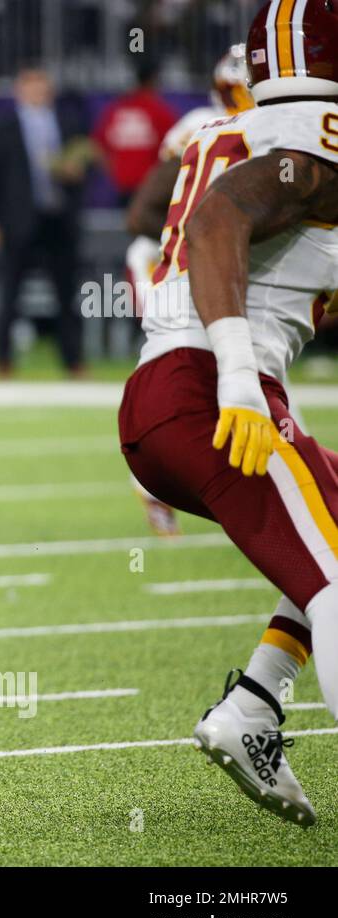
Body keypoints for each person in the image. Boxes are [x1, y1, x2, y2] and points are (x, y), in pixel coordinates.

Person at [119, 0, 338, 828]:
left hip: (179, 391)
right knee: (336, 581)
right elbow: (215, 223)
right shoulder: (304, 154)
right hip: (206, 391)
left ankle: (254, 702)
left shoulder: (249, 140)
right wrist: (242, 381)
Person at [124, 44, 255, 538]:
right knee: (179, 363)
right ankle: (157, 481)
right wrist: (190, 239)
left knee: (216, 365)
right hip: (168, 257)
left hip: (203, 258)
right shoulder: (206, 124)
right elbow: (144, 210)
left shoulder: (266, 131)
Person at [0, 65, 92, 377]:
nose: (37, 92)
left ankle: (73, 361)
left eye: (42, 86)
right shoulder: (4, 128)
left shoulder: (68, 124)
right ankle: (3, 361)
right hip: (18, 220)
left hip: (58, 219)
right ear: (19, 91)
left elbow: (88, 167)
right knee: (10, 292)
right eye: (31, 86)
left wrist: (76, 173)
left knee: (66, 293)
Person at [92, 57, 177, 206]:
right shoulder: (159, 111)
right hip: (149, 186)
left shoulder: (117, 108)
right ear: (154, 80)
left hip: (123, 185)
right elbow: (175, 149)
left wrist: (116, 173)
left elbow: (98, 147)